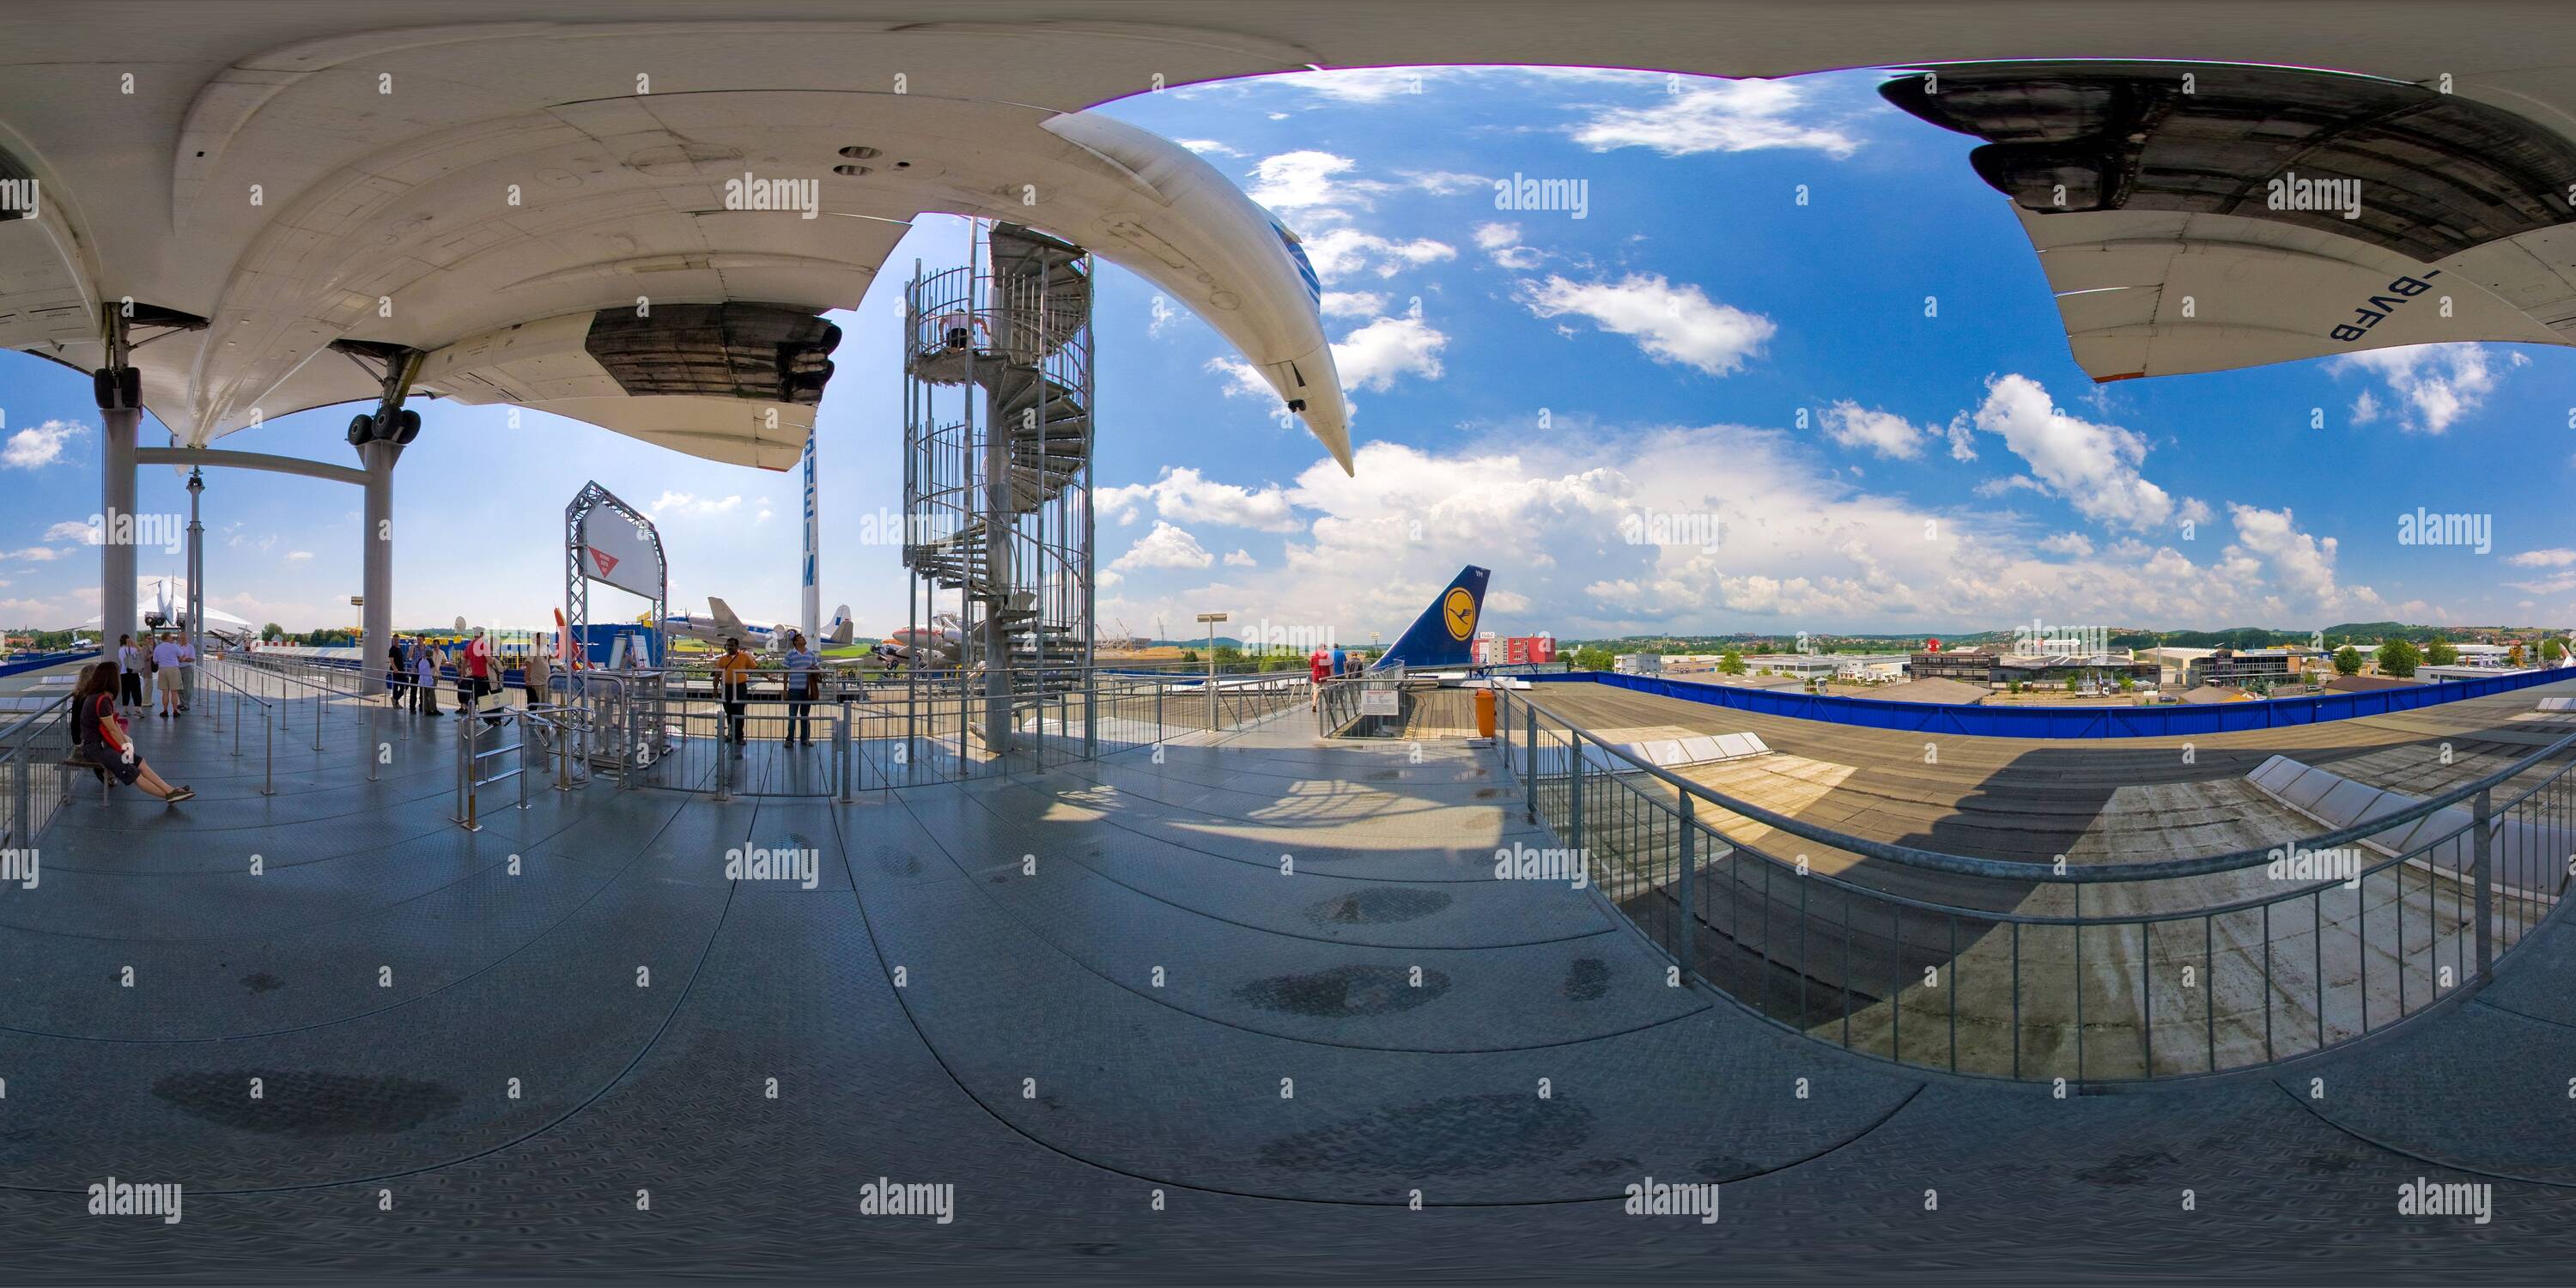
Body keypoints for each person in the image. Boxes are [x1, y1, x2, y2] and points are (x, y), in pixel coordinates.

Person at [71, 661, 192, 803]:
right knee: (134, 774)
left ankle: (171, 791)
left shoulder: (97, 697)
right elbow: (112, 729)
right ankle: (169, 795)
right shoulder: (101, 700)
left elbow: (114, 726)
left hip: (100, 746)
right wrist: (125, 749)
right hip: (97, 749)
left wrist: (126, 749)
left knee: (141, 763)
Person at [714, 636, 755, 755]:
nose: (729, 647)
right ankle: (731, 735)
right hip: (727, 688)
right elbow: (717, 675)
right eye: (728, 645)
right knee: (729, 712)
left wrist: (768, 677)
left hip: (740, 688)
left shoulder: (744, 657)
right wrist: (715, 689)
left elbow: (755, 667)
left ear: (737, 646)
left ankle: (739, 737)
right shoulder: (722, 660)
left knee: (740, 712)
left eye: (732, 645)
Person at [781, 631, 818, 746]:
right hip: (794, 689)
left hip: (807, 689)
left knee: (805, 715)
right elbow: (786, 672)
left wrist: (815, 669)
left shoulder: (811, 654)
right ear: (796, 642)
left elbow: (816, 667)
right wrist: (785, 689)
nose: (804, 638)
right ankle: (789, 739)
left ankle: (805, 739)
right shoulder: (790, 655)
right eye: (801, 638)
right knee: (792, 715)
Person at [152, 632, 185, 718]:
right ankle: (175, 711)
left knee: (165, 692)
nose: (172, 638)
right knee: (174, 692)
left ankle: (165, 710)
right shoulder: (174, 646)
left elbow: (155, 660)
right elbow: (182, 655)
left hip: (162, 669)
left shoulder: (158, 648)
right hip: (173, 669)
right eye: (170, 637)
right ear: (166, 637)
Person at [115, 634, 143, 714]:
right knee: (136, 691)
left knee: (125, 691)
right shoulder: (132, 649)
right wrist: (133, 643)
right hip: (132, 672)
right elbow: (141, 650)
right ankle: (137, 708)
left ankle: (125, 709)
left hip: (123, 673)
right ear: (128, 640)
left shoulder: (120, 650)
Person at [415, 641, 443, 716]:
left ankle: (427, 710)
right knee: (431, 694)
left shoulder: (421, 659)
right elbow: (434, 668)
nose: (434, 646)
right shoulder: (430, 660)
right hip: (430, 679)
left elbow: (416, 668)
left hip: (423, 680)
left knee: (425, 694)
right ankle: (433, 709)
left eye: (435, 645)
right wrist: (440, 674)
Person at [174, 635, 196, 713]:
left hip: (187, 668)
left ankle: (187, 704)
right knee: (179, 687)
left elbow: (193, 659)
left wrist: (183, 658)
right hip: (178, 668)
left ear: (187, 638)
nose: (183, 639)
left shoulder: (191, 647)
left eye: (184, 637)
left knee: (187, 687)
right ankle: (182, 702)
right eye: (181, 637)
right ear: (179, 638)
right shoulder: (177, 646)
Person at [1308, 644, 1332, 709]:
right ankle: (1328, 705)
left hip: (1316, 675)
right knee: (1326, 690)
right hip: (1325, 675)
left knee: (1316, 690)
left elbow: (1311, 665)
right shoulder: (1327, 655)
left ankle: (1314, 704)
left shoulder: (1313, 655)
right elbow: (1330, 666)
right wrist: (1332, 675)